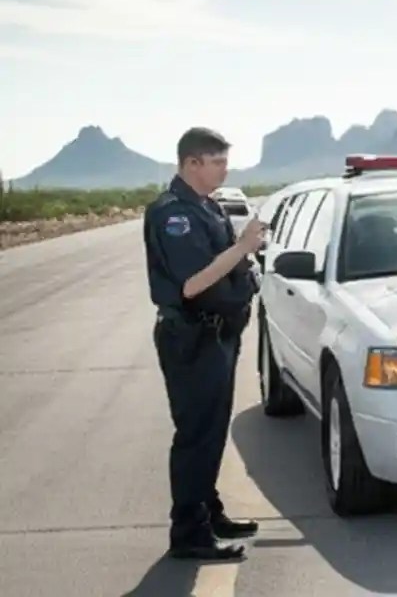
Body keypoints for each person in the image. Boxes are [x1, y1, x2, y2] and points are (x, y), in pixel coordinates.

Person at [143, 127, 265, 560]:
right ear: (191, 163)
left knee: (211, 432)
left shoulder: (205, 207)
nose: (224, 169)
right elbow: (193, 284)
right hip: (193, 336)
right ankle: (189, 532)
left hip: (217, 334)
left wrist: (246, 256)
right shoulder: (173, 214)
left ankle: (208, 512)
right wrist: (245, 247)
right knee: (196, 434)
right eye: (217, 162)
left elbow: (223, 265)